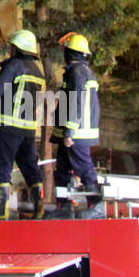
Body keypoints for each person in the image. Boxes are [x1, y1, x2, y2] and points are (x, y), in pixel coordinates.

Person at [0, 29, 46, 220]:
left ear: (18, 48)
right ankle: (39, 207)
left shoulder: (14, 65)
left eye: (12, 47)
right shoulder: (37, 71)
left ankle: (0, 210)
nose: (10, 50)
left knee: (2, 166)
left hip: (8, 125)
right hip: (27, 129)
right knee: (30, 168)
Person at [49, 31, 103, 219]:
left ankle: (97, 206)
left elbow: (76, 102)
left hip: (76, 134)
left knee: (83, 167)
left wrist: (69, 132)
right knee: (62, 169)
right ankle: (62, 207)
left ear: (70, 53)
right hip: (74, 132)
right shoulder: (81, 72)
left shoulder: (77, 73)